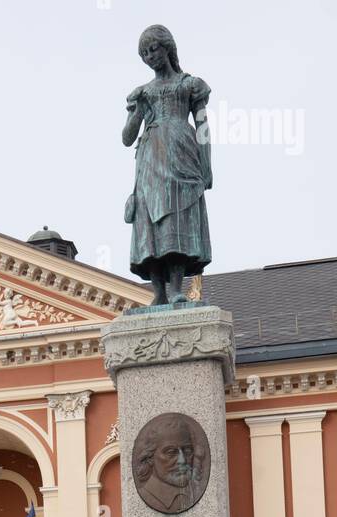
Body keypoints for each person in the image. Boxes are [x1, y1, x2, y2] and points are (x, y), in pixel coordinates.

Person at [123, 24, 212, 307]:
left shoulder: (189, 84)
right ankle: (158, 291)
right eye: (145, 53)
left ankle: (176, 289)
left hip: (182, 152)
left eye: (154, 49)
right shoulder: (142, 93)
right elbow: (126, 138)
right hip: (149, 157)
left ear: (168, 48)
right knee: (148, 220)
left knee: (176, 217)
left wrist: (207, 165)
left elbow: (203, 126)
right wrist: (138, 110)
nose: (150, 56)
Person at [134, 415, 208, 514]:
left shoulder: (194, 491)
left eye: (187, 450)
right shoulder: (147, 495)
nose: (182, 460)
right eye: (171, 452)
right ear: (150, 457)